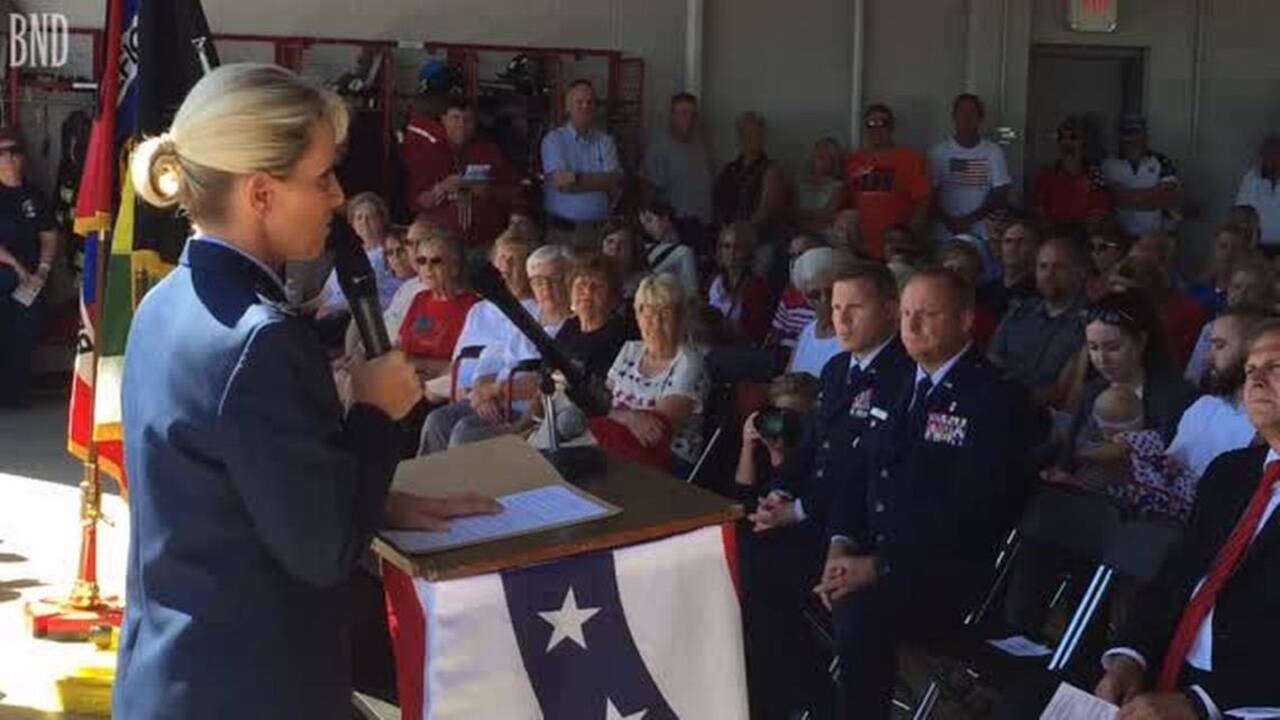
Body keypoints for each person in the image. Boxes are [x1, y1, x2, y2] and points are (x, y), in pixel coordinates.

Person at [114, 64, 499, 720]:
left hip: (174, 675)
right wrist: (377, 412)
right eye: (321, 178)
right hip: (251, 691)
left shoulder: (163, 304)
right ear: (261, 193)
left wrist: (377, 498)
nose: (338, 196)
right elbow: (324, 552)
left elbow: (232, 490)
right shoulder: (260, 340)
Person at [815, 267, 1036, 719]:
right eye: (907, 314)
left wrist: (876, 566)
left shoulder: (993, 398)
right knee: (767, 567)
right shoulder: (896, 381)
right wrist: (840, 544)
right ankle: (810, 703)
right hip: (876, 556)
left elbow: (971, 511)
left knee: (858, 612)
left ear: (965, 321)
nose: (911, 327)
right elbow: (860, 475)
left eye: (928, 315)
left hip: (946, 575)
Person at [418, 245, 572, 451]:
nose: (544, 287)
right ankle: (428, 481)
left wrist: (498, 391)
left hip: (526, 410)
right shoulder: (530, 315)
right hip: (497, 400)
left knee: (464, 433)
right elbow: (493, 356)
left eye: (553, 280)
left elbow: (553, 380)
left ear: (568, 280)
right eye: (537, 281)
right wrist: (483, 392)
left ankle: (459, 483)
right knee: (437, 421)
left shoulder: (573, 326)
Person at [605, 273, 709, 476]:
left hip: (668, 460)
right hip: (618, 447)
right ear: (637, 315)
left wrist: (613, 416)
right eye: (647, 311)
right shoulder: (630, 350)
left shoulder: (690, 362)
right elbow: (600, 402)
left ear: (681, 318)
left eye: (666, 312)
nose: (655, 320)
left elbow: (657, 431)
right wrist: (629, 418)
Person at [1166, 310, 1268, 481]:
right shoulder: (1202, 407)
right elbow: (1169, 468)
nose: (1208, 358)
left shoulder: (1267, 425)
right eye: (1211, 346)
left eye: (1220, 346)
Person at [988, 236, 1088, 407]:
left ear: (1080, 272)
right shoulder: (1018, 312)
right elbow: (991, 360)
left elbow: (1067, 390)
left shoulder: (1091, 324)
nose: (1049, 274)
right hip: (998, 403)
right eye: (1043, 266)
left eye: (1059, 267)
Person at [410, 97, 520, 247]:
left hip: (486, 241)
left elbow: (514, 192)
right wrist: (442, 188)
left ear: (475, 124)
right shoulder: (428, 153)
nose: (461, 124)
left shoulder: (490, 152)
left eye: (467, 120)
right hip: (441, 244)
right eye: (455, 118)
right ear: (443, 120)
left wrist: (490, 191)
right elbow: (418, 203)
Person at [0, 125, 58, 408]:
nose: (9, 159)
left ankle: (15, 392)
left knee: (27, 323)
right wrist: (19, 269)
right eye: (2, 153)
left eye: (15, 152)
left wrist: (42, 271)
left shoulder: (33, 196)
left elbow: (48, 235)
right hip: (4, 275)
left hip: (29, 279)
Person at [540, 79, 622, 250]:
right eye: (579, 102)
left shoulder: (605, 141)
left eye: (590, 102)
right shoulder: (554, 140)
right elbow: (562, 184)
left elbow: (615, 181)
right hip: (563, 234)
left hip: (601, 233)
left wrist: (576, 177)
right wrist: (601, 181)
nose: (585, 106)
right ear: (567, 106)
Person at [844, 103, 930, 259]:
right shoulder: (853, 161)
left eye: (882, 123)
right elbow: (848, 203)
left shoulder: (911, 159)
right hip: (862, 248)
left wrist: (908, 238)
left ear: (892, 127)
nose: (876, 128)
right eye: (871, 124)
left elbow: (923, 203)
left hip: (898, 249)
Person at [929, 93, 1011, 247]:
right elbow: (930, 195)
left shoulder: (993, 152)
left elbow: (1001, 194)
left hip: (982, 235)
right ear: (953, 117)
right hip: (944, 235)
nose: (966, 117)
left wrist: (969, 220)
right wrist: (950, 221)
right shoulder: (938, 152)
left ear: (980, 117)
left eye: (972, 112)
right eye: (961, 112)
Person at [713, 111, 789, 276]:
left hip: (760, 239)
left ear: (762, 136)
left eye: (753, 133)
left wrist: (743, 233)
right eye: (744, 133)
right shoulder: (729, 169)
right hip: (729, 238)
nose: (748, 138)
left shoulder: (771, 169)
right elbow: (718, 204)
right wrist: (726, 232)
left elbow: (767, 209)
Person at [398, 231, 478, 378]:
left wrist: (419, 365)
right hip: (407, 378)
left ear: (454, 267)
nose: (428, 268)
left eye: (436, 261)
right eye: (422, 260)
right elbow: (401, 347)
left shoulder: (474, 306)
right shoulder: (420, 299)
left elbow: (464, 364)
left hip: (441, 386)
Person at [639, 92, 713, 245]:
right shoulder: (659, 148)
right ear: (672, 116)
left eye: (693, 114)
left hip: (703, 225)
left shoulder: (700, 143)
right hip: (677, 226)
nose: (689, 119)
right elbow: (648, 190)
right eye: (683, 113)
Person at [1185, 261, 1276, 385]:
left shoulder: (1274, 333)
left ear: (1265, 295)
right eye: (1237, 286)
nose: (1241, 294)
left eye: (1251, 289)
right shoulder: (1211, 329)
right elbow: (1192, 379)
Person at [1103, 113, 1183, 237]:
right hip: (1119, 238)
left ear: (1145, 136)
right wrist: (1153, 194)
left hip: (1152, 239)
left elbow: (1169, 198)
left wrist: (1126, 195)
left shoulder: (1162, 161)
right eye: (1127, 133)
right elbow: (1112, 199)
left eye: (1137, 133)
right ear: (1120, 137)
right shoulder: (1107, 164)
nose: (1132, 138)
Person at [1030, 116, 1111, 229]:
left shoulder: (1095, 176)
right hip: (1053, 238)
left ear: (1084, 142)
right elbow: (1040, 215)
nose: (1067, 142)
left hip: (1083, 240)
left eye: (1074, 137)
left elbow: (1098, 216)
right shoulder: (1045, 177)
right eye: (1062, 138)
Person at [708, 221, 772, 344]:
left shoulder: (757, 287)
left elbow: (754, 334)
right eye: (726, 246)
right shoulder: (714, 281)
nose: (731, 253)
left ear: (748, 251)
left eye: (738, 248)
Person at [786, 247, 843, 377]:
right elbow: (788, 379)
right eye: (815, 294)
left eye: (830, 291)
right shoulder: (807, 333)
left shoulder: (856, 334)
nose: (824, 300)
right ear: (804, 296)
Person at [768, 233, 825, 351]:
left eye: (801, 254)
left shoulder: (826, 297)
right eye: (792, 256)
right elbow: (774, 337)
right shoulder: (789, 295)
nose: (795, 261)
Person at [977, 219, 1041, 321]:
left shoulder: (1041, 292)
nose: (1013, 247)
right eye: (1008, 241)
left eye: (1021, 241)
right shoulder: (985, 291)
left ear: (1036, 249)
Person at [1188, 224, 1258, 317]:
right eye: (1223, 246)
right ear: (1215, 249)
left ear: (1246, 255)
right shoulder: (1196, 290)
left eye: (1236, 248)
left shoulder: (1250, 298)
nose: (1229, 252)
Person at [637, 201, 701, 300]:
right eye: (644, 224)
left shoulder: (684, 252)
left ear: (665, 218)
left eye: (650, 220)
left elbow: (691, 295)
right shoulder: (647, 248)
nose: (647, 228)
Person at [1234, 133, 1280, 247]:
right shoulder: (1252, 178)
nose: (1271, 158)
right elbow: (1242, 211)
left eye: (1276, 153)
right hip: (1256, 245)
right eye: (1267, 153)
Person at [794, 137, 847, 233]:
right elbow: (792, 212)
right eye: (820, 157)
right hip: (797, 230)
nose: (824, 162)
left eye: (830, 158)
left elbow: (827, 214)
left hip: (824, 232)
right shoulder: (799, 182)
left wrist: (806, 215)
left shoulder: (838, 186)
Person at [1085, 224, 1133, 302]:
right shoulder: (1088, 275)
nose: (1095, 252)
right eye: (1092, 247)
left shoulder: (1127, 279)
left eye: (1102, 247)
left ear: (1119, 251)